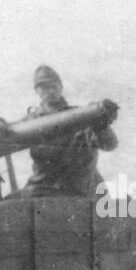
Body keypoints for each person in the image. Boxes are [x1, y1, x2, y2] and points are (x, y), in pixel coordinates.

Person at [19, 65, 117, 197]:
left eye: (54, 86)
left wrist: (101, 125)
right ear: (37, 90)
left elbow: (110, 145)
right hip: (44, 186)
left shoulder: (80, 116)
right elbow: (6, 134)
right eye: (44, 87)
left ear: (61, 87)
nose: (50, 90)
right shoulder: (29, 122)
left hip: (81, 189)